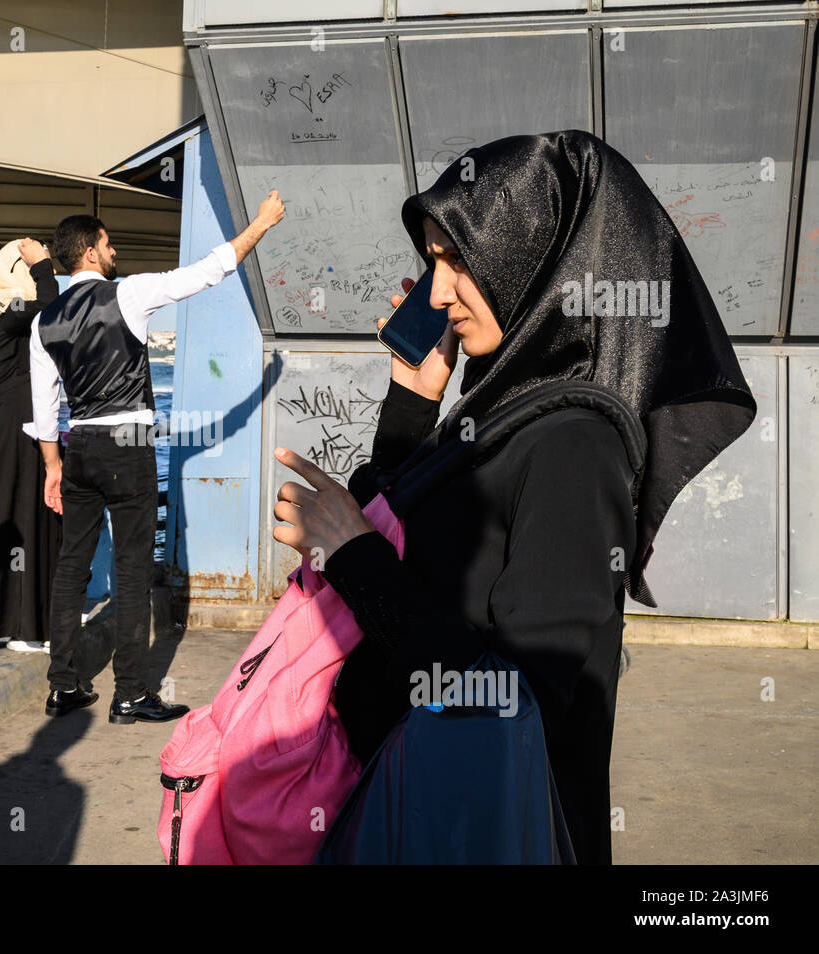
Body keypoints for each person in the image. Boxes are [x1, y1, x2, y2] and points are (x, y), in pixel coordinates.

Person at [269, 130, 755, 864]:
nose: (435, 293)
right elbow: (414, 542)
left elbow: (511, 697)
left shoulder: (573, 446)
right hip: (419, 810)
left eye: (456, 259)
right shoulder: (504, 415)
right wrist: (410, 407)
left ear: (537, 261)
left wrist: (356, 559)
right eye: (431, 261)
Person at [32, 193, 286, 722]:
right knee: (130, 571)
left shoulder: (43, 322)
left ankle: (63, 687)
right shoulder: (128, 294)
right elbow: (205, 272)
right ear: (89, 252)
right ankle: (129, 695)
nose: (114, 248)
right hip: (128, 445)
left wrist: (53, 468)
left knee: (69, 568)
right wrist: (259, 225)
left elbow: (43, 408)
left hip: (78, 447)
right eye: (107, 242)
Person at [0, 238, 62, 652]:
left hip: (21, 421)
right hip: (17, 424)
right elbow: (51, 304)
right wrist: (42, 267)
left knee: (34, 517)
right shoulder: (5, 313)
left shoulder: (4, 315)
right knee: (21, 517)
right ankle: (22, 626)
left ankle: (23, 621)